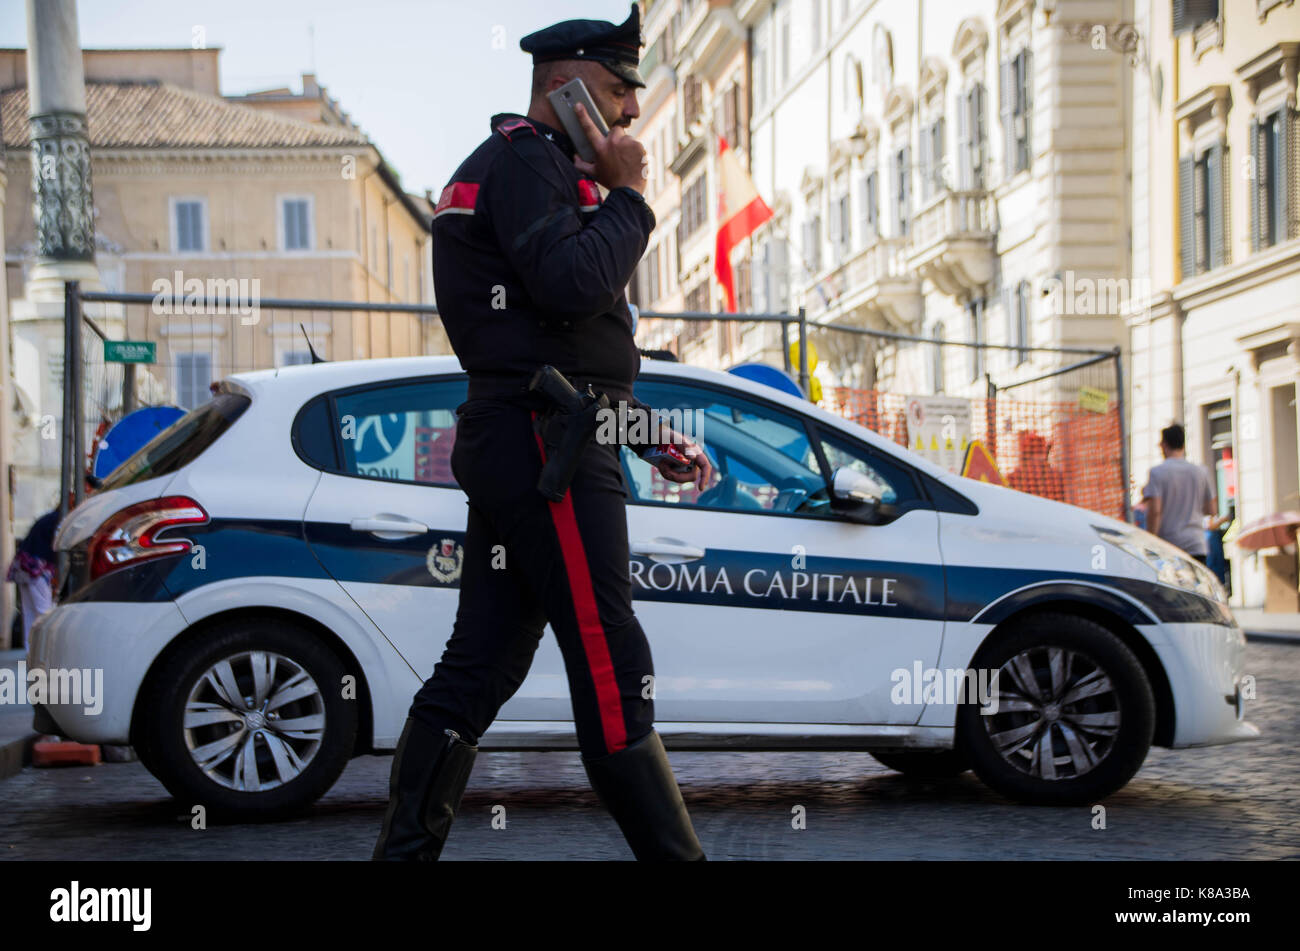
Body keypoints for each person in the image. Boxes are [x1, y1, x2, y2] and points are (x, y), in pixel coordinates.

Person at [373, 4, 712, 861]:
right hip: (543, 446)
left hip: (537, 434)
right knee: (609, 655)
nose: (631, 113)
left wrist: (643, 430)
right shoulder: (528, 159)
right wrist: (630, 195)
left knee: (481, 662)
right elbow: (568, 288)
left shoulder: (534, 165)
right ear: (567, 88)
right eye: (615, 91)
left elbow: (561, 350)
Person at [1141, 424, 1217, 564]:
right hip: (1196, 544)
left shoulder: (1157, 472)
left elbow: (1155, 511)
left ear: (1164, 445)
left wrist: (1151, 542)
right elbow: (1211, 510)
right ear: (1183, 445)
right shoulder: (1201, 472)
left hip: (1169, 545)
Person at [5, 507, 61, 650]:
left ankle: (30, 649)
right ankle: (44, 650)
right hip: (37, 568)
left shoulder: (50, 518)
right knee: (43, 612)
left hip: (25, 566)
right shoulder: (58, 520)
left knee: (29, 611)